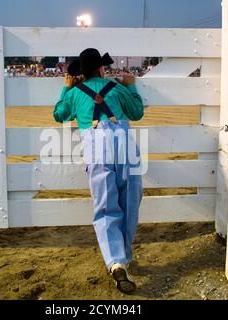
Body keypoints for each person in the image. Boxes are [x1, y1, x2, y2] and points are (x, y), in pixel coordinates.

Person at [53, 48, 144, 293]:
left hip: (97, 149)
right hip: (125, 146)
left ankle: (116, 262)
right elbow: (137, 112)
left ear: (81, 73)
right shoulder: (117, 88)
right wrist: (132, 85)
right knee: (130, 201)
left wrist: (65, 88)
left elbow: (58, 115)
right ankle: (124, 254)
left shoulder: (74, 94)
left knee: (105, 206)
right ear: (102, 69)